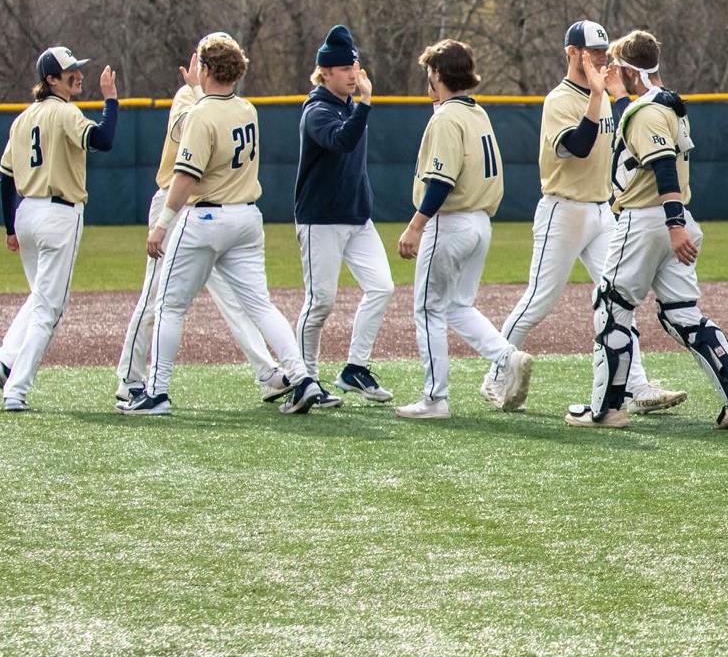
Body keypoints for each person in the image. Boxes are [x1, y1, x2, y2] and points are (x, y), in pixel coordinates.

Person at [120, 33, 332, 417]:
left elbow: (184, 177)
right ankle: (302, 378)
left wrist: (162, 224)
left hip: (206, 217)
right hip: (247, 217)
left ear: (205, 68)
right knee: (261, 306)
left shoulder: (202, 113)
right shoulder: (247, 108)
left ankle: (156, 392)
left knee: (168, 305)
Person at [568, 29, 728, 429]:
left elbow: (662, 165)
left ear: (631, 70)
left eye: (618, 66)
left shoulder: (647, 111)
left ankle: (607, 409)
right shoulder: (665, 104)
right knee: (682, 314)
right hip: (674, 218)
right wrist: (621, 96)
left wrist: (673, 226)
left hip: (648, 219)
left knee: (612, 307)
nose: (612, 70)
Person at [490, 20, 683, 415]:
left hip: (601, 210)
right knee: (539, 300)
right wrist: (599, 96)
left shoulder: (608, 97)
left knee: (617, 298)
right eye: (591, 51)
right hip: (563, 209)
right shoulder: (559, 100)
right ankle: (495, 376)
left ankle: (637, 387)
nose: (599, 57)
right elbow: (576, 147)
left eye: (602, 51)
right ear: (572, 53)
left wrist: (610, 96)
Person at [393, 40, 533, 420]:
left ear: (437, 76)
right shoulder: (478, 114)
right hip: (480, 224)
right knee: (456, 305)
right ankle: (507, 358)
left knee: (428, 309)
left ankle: (435, 399)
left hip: (449, 223)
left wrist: (414, 227)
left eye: (430, 75)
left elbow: (440, 180)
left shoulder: (445, 118)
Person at [0, 48, 118, 411]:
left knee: (40, 297)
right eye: (70, 71)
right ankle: (16, 390)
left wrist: (10, 227)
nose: (77, 75)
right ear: (51, 79)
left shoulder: (23, 119)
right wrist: (111, 101)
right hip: (58, 215)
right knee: (50, 308)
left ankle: (4, 364)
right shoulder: (65, 112)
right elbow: (103, 140)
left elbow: (5, 177)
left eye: (77, 69)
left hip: (27, 213)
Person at [293, 25, 395, 402]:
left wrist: (361, 105)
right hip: (320, 219)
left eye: (355, 66)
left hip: (357, 216)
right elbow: (341, 140)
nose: (353, 74)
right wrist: (366, 104)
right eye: (345, 68)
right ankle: (305, 379)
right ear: (325, 73)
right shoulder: (317, 111)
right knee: (320, 302)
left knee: (382, 288)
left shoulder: (350, 106)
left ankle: (354, 368)